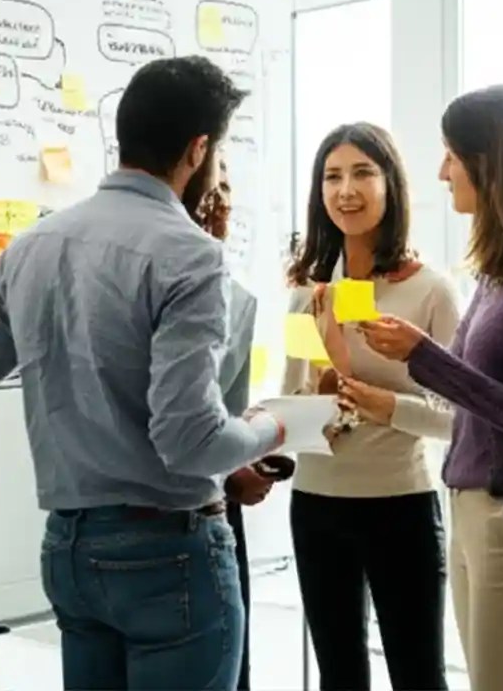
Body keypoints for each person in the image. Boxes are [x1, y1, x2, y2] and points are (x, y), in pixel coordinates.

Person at [0, 56, 286, 691]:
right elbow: (190, 441)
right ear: (198, 150)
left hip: (70, 552)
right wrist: (270, 427)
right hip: (169, 555)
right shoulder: (192, 256)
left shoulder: (34, 244)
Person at [360, 84, 503, 691]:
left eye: (452, 156)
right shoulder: (497, 272)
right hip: (474, 512)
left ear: (490, 162)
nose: (442, 172)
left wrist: (426, 358)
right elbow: (466, 395)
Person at [282, 122, 461, 691]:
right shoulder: (308, 294)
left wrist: (388, 406)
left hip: (400, 506)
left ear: (391, 185)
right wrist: (320, 402)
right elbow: (292, 405)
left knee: (418, 677)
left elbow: (462, 418)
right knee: (338, 678)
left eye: (362, 173)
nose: (346, 190)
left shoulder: (431, 291)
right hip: (317, 505)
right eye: (332, 177)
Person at [191, 158, 287, 691]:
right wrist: (236, 466)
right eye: (213, 183)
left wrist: (243, 462)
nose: (221, 199)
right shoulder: (136, 280)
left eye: (227, 185)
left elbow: (226, 413)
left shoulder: (238, 298)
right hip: (173, 518)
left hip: (218, 515)